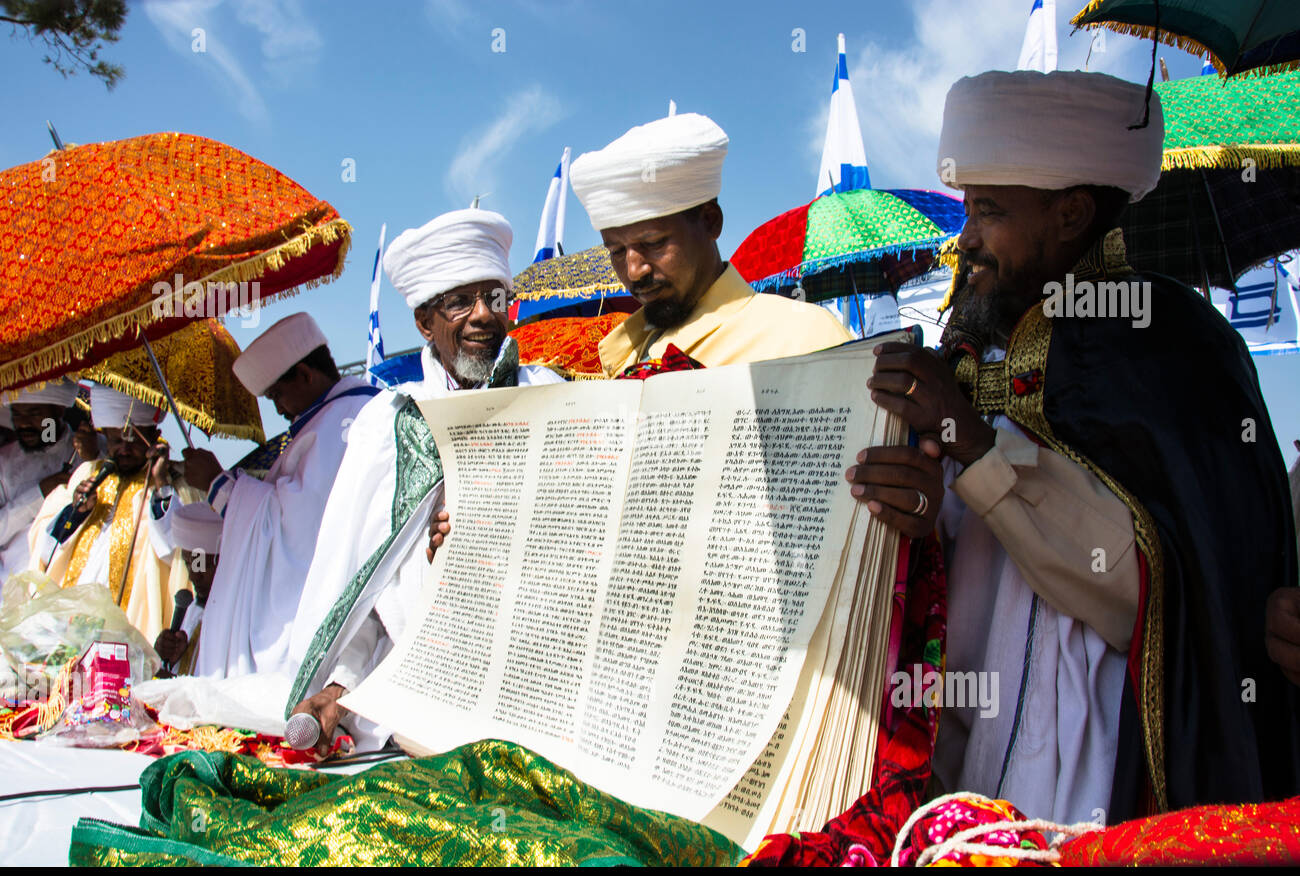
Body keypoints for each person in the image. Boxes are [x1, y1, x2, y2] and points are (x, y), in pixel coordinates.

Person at [855, 69, 1300, 823]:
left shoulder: (1170, 345)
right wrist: (921, 516)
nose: (966, 238)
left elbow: (1145, 586)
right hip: (954, 763)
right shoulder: (971, 346)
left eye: (989, 211)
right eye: (969, 208)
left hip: (1099, 783)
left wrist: (969, 435)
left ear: (1070, 213)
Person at [286, 209, 562, 749]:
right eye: (459, 301)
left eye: (495, 298)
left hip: (542, 683)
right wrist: (344, 686)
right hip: (420, 692)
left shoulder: (550, 396)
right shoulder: (389, 421)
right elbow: (364, 589)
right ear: (423, 321)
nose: (483, 315)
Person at [566, 112, 855, 377]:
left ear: (710, 222)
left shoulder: (805, 338)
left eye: (653, 243)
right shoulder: (628, 353)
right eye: (616, 251)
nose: (633, 271)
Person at [178, 312, 378, 679]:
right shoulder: (336, 416)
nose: (280, 410)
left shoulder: (342, 422)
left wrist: (217, 485)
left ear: (305, 374)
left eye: (277, 396)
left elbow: (299, 531)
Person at [28, 387, 197, 639]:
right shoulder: (87, 474)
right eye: (117, 440)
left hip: (129, 627)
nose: (124, 450)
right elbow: (44, 549)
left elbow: (177, 553)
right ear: (105, 436)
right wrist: (75, 515)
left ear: (155, 436)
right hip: (71, 625)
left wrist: (161, 484)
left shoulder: (175, 483)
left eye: (133, 440)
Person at [0, 378, 78, 586]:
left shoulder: (90, 454)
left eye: (34, 414)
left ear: (59, 410)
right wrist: (39, 494)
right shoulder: (4, 463)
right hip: (13, 588)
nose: (24, 423)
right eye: (17, 414)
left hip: (72, 584)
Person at [153, 502, 223, 677]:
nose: (194, 576)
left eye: (202, 565)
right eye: (188, 564)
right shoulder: (192, 610)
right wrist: (170, 661)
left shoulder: (236, 616)